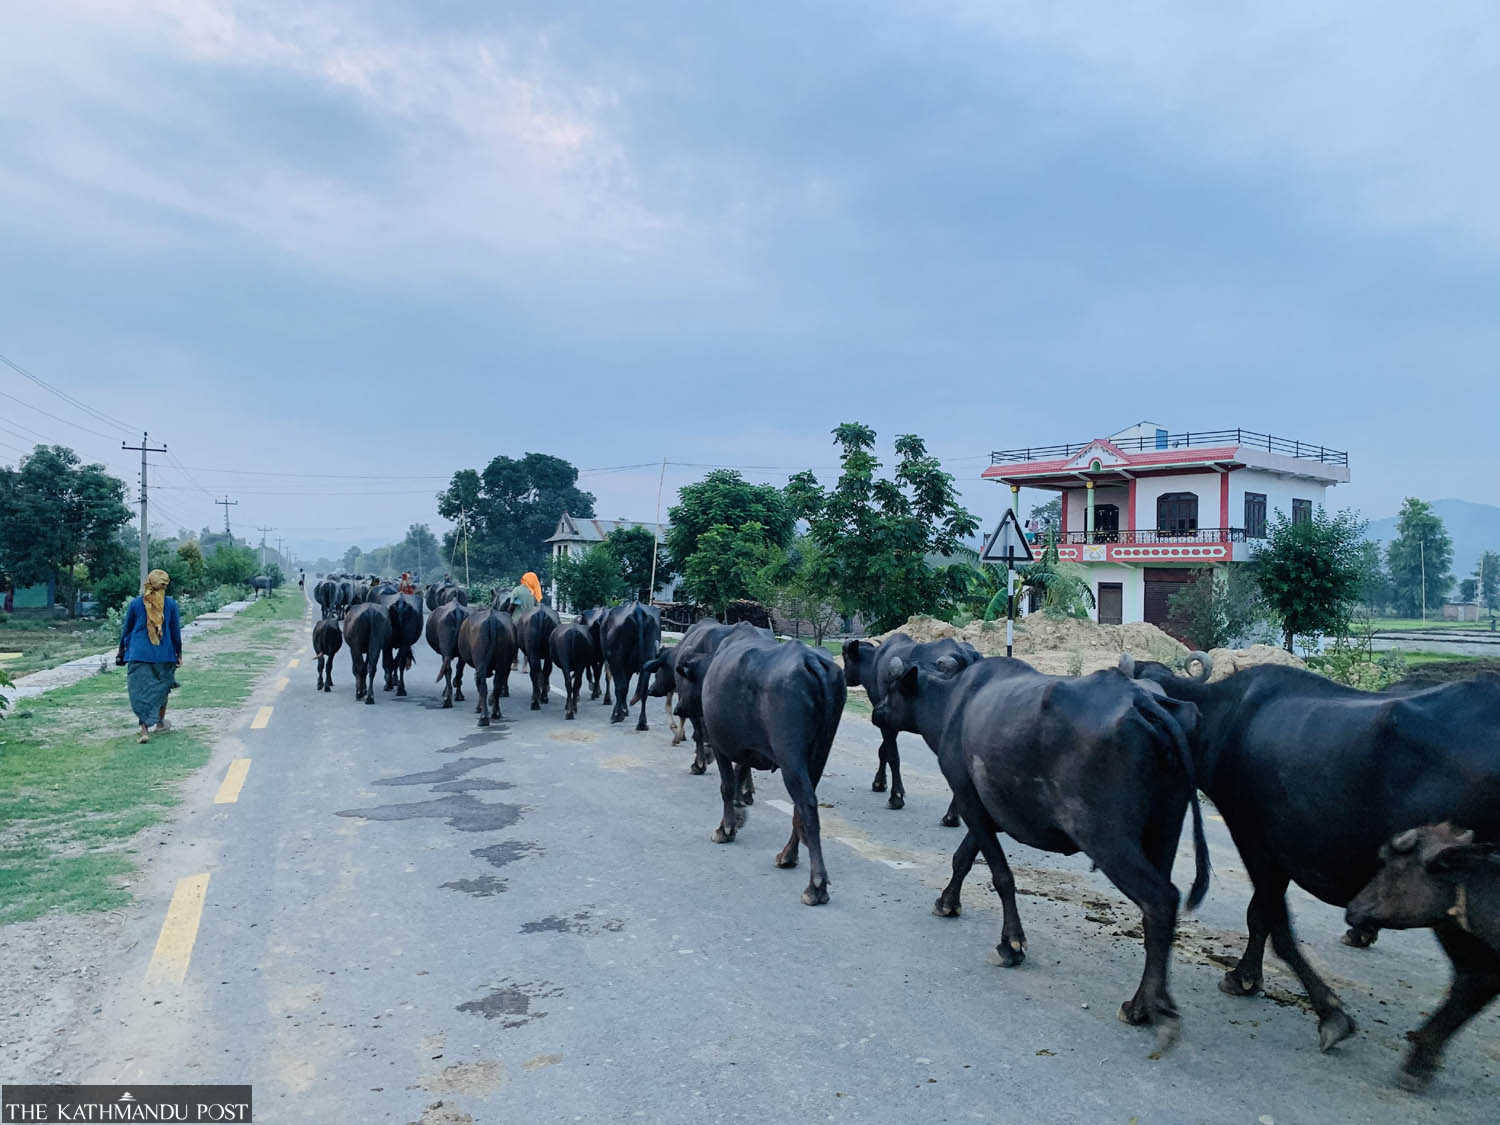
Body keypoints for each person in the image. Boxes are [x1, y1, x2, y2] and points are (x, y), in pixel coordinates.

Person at [116, 569, 183, 744]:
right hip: (164, 653)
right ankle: (160, 722)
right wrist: (179, 653)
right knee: (162, 688)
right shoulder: (171, 605)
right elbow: (175, 632)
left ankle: (144, 728)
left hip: (139, 654)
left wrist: (121, 651)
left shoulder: (136, 604)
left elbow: (127, 629)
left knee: (140, 690)